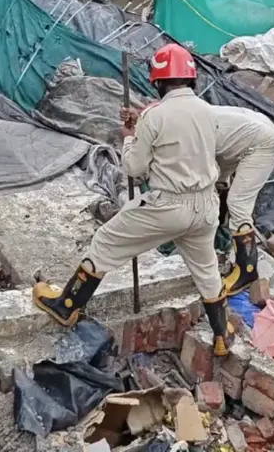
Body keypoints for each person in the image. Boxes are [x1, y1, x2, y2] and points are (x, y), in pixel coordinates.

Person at [32, 44, 235, 356]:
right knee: (206, 271)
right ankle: (222, 336)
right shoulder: (208, 111)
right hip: (206, 205)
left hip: (169, 204)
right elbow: (183, 136)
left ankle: (66, 306)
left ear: (158, 81)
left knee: (104, 241)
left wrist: (130, 135)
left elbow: (134, 168)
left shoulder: (155, 116)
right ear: (190, 79)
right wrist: (144, 124)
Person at [213, 106, 274, 296]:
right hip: (248, 133)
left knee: (238, 202)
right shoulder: (190, 113)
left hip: (262, 142)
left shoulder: (185, 129)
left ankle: (247, 271)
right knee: (218, 181)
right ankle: (218, 233)